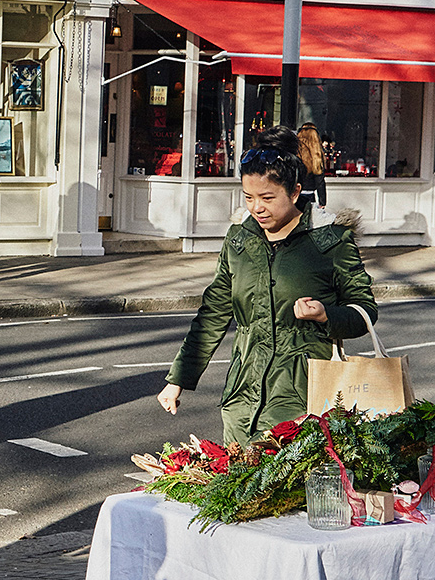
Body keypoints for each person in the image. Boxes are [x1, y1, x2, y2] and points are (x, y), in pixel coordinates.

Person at [158, 132, 379, 446]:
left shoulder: (330, 240)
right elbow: (212, 315)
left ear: (294, 192)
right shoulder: (238, 240)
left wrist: (325, 315)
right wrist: (178, 379)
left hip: (302, 400)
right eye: (249, 197)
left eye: (267, 198)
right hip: (240, 399)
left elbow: (364, 310)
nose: (257, 207)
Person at [297, 123, 329, 211]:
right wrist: (322, 202)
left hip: (293, 196)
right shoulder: (317, 158)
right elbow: (320, 182)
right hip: (309, 196)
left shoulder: (295, 155)